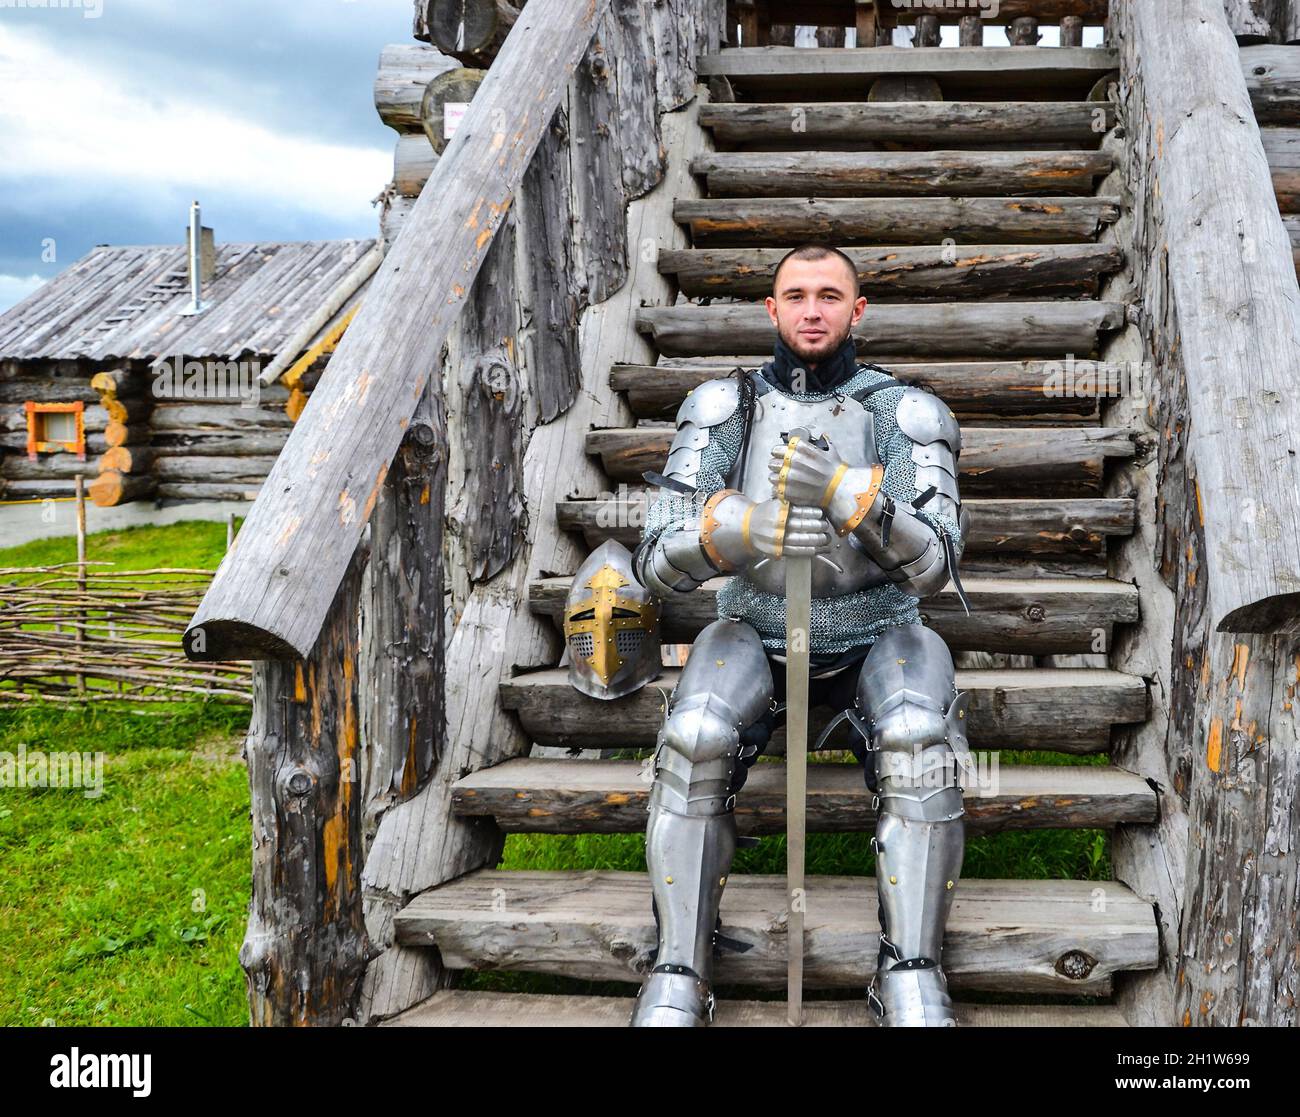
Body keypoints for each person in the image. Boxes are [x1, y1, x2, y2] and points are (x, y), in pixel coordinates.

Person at [628, 243, 972, 1027]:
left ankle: (911, 970)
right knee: (695, 733)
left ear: (858, 310)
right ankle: (679, 968)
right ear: (771, 310)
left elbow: (938, 564)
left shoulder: (902, 411)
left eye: (828, 294)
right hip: (753, 628)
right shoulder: (727, 406)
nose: (811, 309)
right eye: (795, 294)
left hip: (879, 630)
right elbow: (656, 559)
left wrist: (854, 498)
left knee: (919, 734)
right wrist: (741, 531)